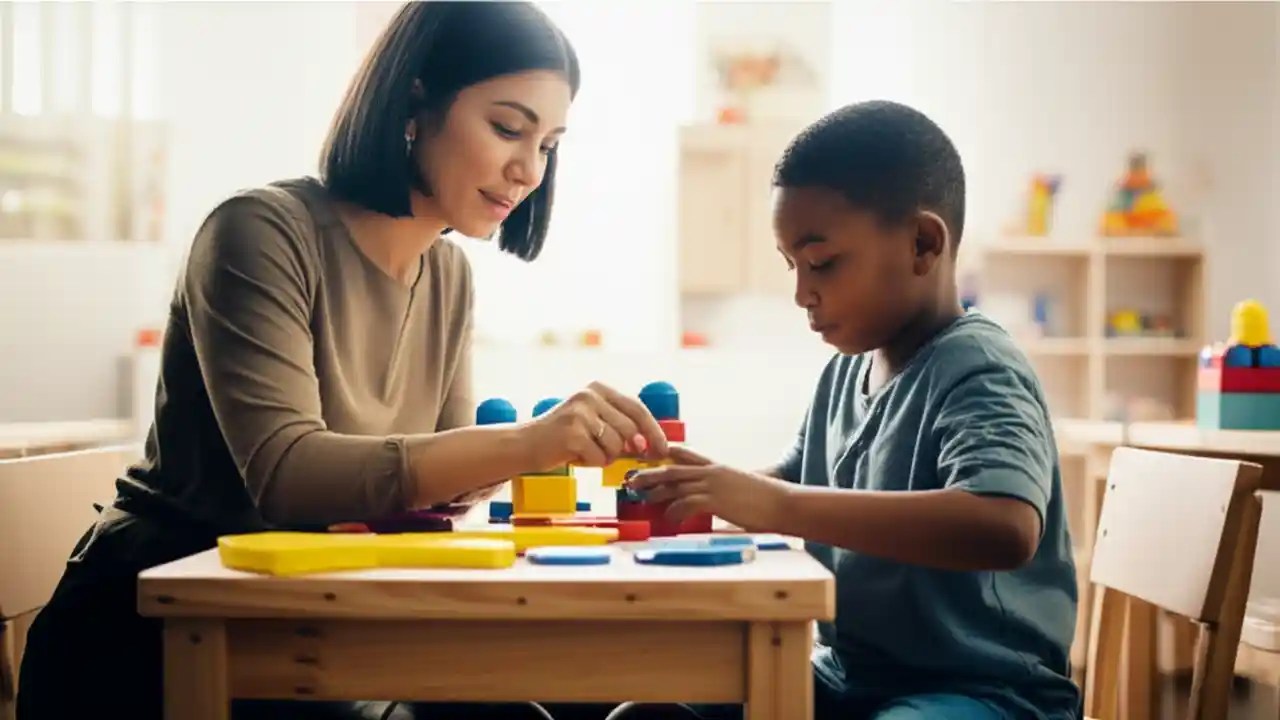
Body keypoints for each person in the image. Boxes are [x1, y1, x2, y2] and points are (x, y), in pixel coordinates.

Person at [17, 3, 667, 720]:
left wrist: (536, 455)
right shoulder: (259, 232)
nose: (529, 168)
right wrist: (521, 444)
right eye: (508, 128)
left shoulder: (446, 275)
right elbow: (290, 477)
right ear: (414, 102)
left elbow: (432, 492)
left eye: (548, 144)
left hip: (311, 619)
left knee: (584, 694)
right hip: (161, 631)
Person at [623, 101, 1081, 720]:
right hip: (849, 680)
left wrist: (774, 505)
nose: (801, 293)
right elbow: (794, 482)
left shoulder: (980, 368)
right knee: (651, 711)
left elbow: (1005, 525)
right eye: (792, 266)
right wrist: (701, 493)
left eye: (822, 263)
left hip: (985, 693)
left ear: (922, 243)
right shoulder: (847, 368)